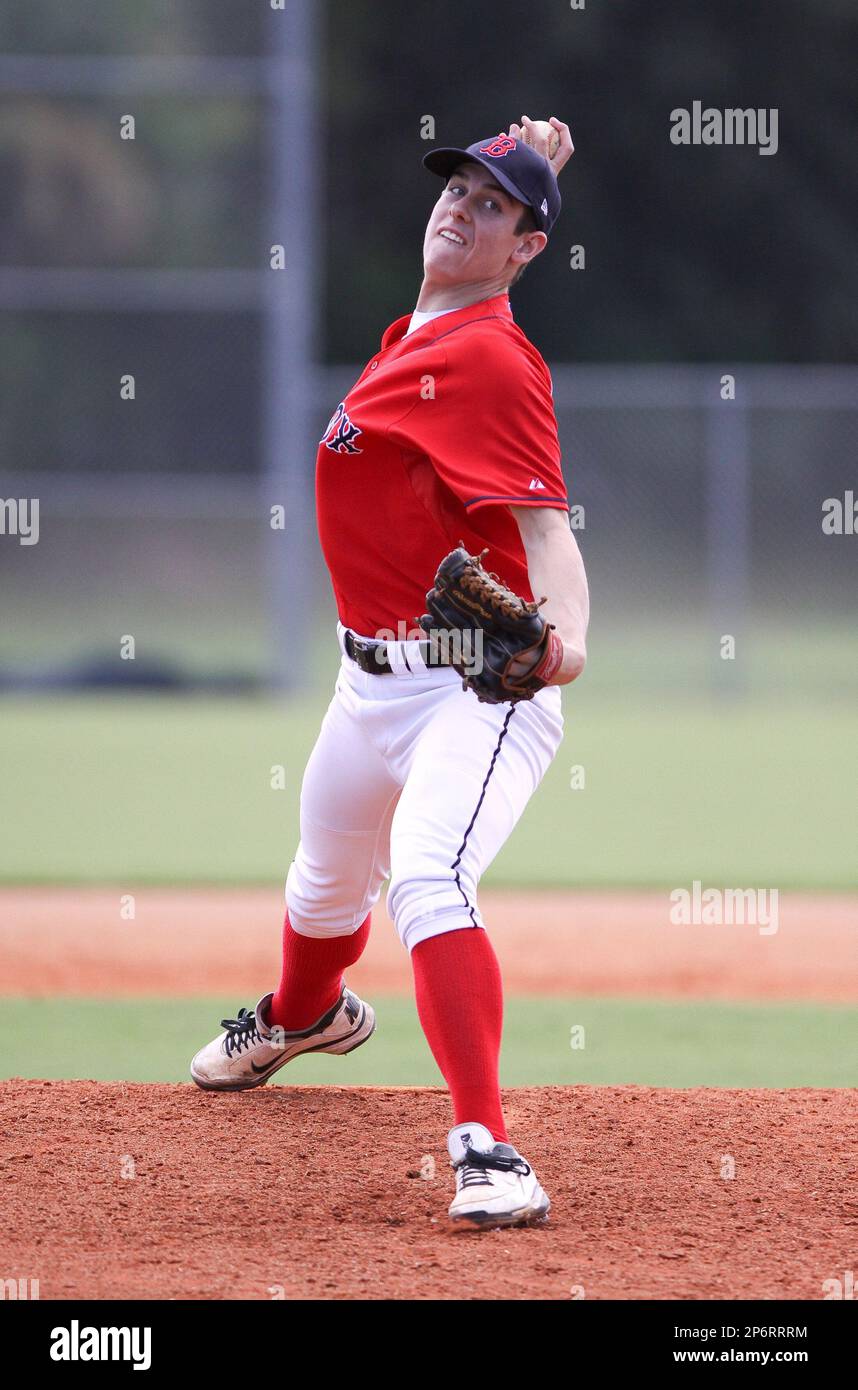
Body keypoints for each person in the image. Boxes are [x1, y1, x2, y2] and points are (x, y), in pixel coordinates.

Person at [191, 117, 590, 1229]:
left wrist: (568, 643)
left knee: (426, 878)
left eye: (491, 205)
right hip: (368, 681)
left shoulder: (495, 359)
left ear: (524, 251)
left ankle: (489, 1147)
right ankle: (303, 1017)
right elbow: (496, 254)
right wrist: (529, 177)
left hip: (472, 684)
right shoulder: (420, 331)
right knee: (322, 885)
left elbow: (548, 534)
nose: (458, 204)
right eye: (457, 185)